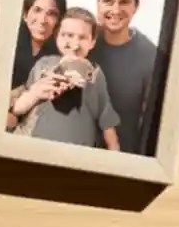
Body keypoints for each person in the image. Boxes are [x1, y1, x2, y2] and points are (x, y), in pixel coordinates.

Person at [8, 8, 121, 151]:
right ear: (57, 38)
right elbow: (23, 102)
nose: (74, 43)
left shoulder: (96, 74)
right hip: (35, 145)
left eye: (82, 37)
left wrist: (115, 152)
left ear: (92, 42)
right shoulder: (44, 64)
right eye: (67, 35)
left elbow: (107, 119)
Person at [88, 0, 158, 155]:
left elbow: (152, 127)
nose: (115, 10)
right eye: (108, 1)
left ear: (136, 6)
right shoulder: (81, 40)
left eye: (124, 2)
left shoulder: (151, 57)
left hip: (119, 161)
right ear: (98, 3)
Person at [11, 0, 66, 88]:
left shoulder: (60, 50)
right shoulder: (9, 39)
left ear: (59, 20)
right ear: (26, 14)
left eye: (51, 14)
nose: (42, 20)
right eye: (37, 10)